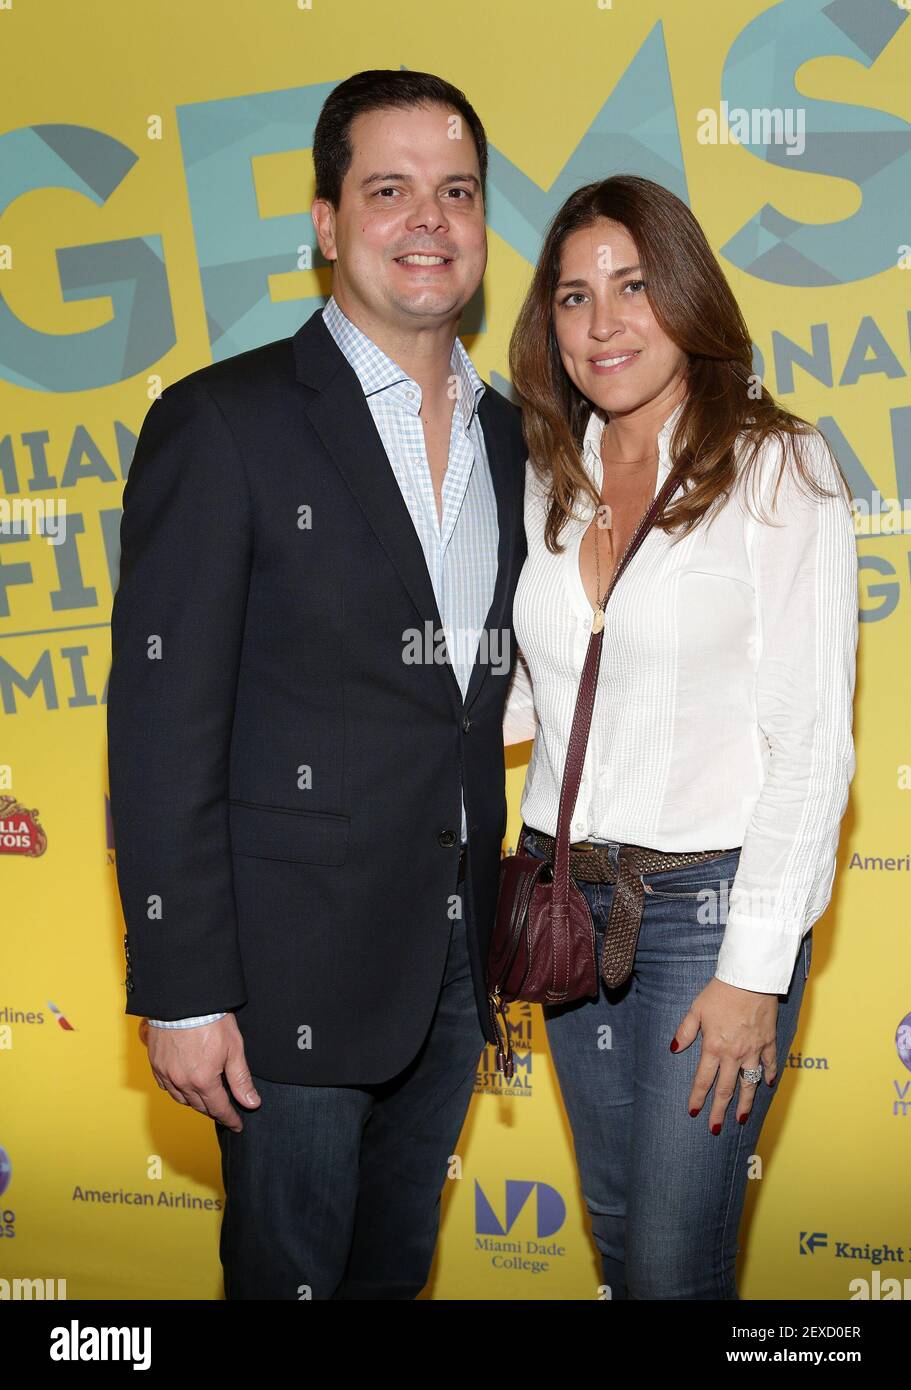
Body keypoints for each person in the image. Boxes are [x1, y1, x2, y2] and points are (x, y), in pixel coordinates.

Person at [107, 69, 526, 1300]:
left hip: (452, 952)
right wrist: (181, 985)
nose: (426, 219)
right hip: (281, 965)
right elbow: (161, 723)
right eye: (387, 188)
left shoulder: (515, 436)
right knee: (288, 1275)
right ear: (326, 222)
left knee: (393, 1271)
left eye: (454, 191)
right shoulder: (223, 422)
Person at [502, 174, 858, 1300]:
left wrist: (752, 968)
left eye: (633, 286)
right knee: (616, 1237)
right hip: (563, 903)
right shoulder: (545, 477)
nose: (601, 323)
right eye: (571, 296)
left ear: (688, 297)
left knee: (669, 1262)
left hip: (704, 917)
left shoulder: (776, 467)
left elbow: (809, 743)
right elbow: (537, 694)